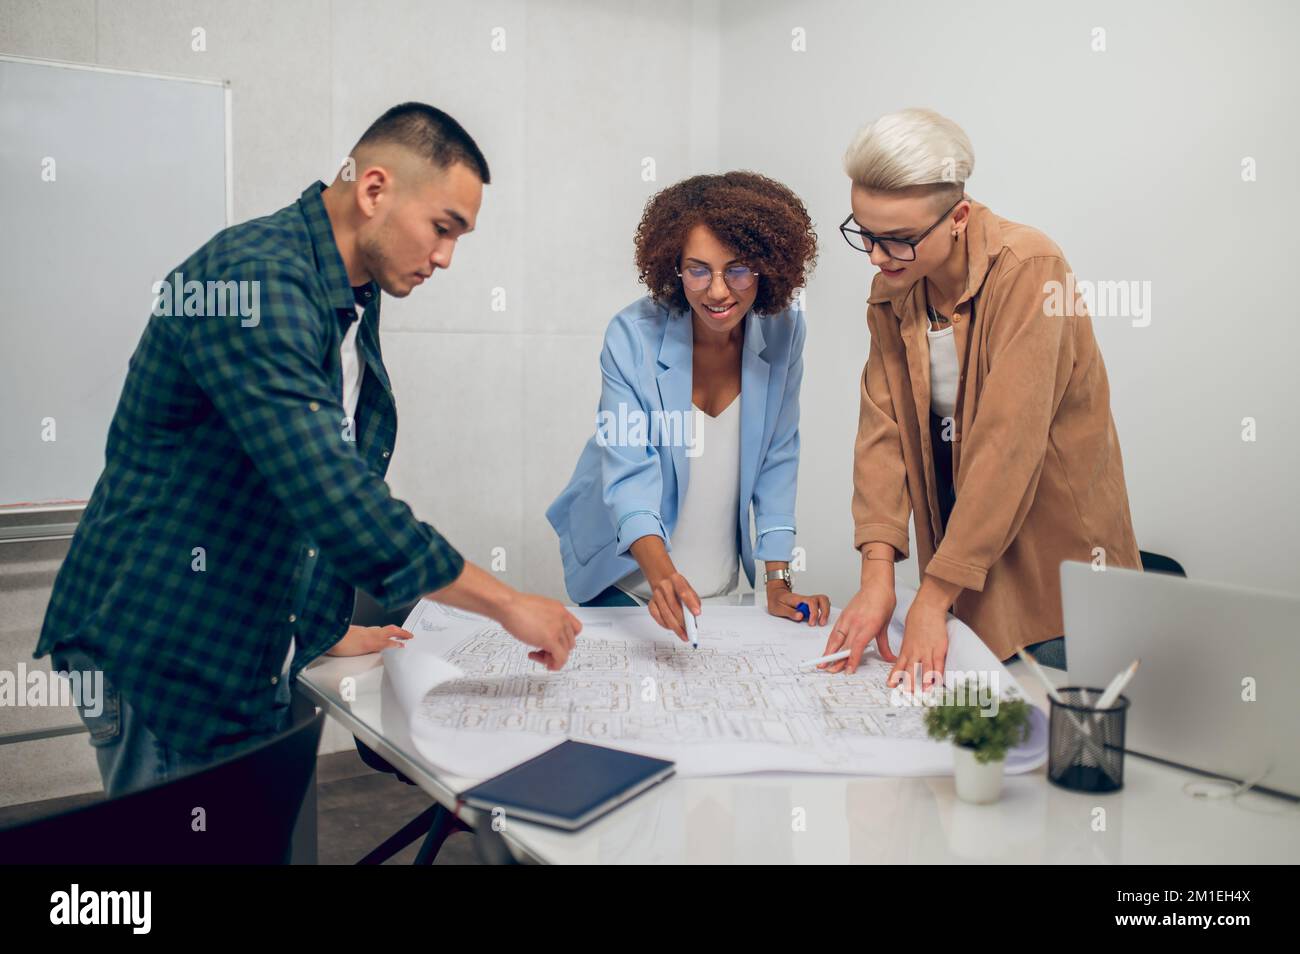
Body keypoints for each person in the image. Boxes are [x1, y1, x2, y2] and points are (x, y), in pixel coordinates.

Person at [35, 102, 580, 798]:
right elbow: (332, 493)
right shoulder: (251, 280)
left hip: (252, 642)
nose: (446, 258)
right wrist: (505, 602)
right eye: (443, 229)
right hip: (168, 644)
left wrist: (312, 630)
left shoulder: (348, 288)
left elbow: (296, 483)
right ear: (374, 189)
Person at [822, 108, 1140, 687]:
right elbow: (882, 434)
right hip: (960, 568)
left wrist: (932, 597)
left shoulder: (1032, 270)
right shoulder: (894, 289)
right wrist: (878, 579)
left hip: (1057, 584)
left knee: (1041, 754)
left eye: (896, 240)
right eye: (864, 234)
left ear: (959, 217)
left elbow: (1007, 446)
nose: (875, 257)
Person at [548, 172, 829, 639]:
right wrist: (662, 578)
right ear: (673, 268)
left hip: (714, 584)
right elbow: (629, 473)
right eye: (698, 269)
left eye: (737, 269)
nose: (718, 290)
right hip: (623, 580)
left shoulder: (784, 332)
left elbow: (778, 458)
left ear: (768, 266)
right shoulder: (632, 335)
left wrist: (778, 583)